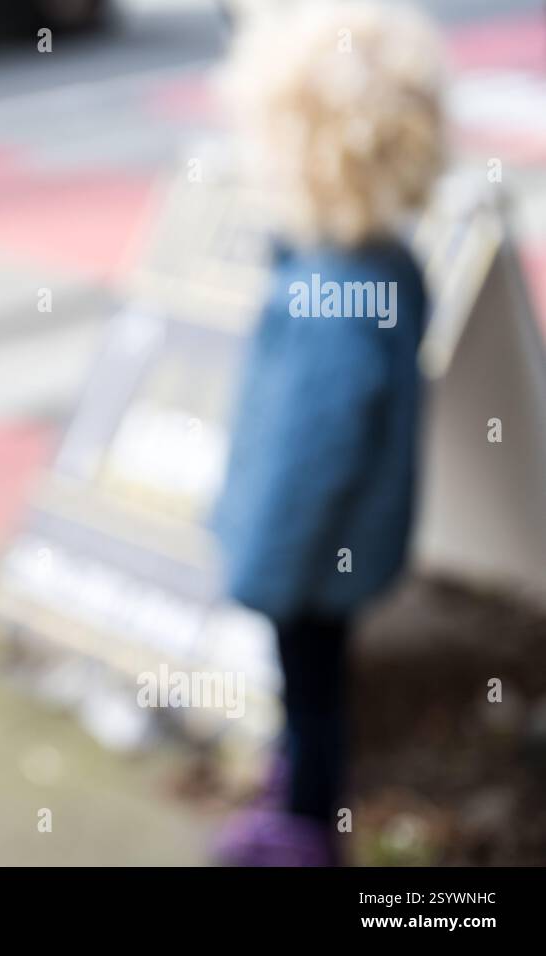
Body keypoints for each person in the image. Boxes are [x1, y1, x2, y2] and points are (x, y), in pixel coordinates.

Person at [209, 1, 447, 866]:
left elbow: (314, 452)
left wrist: (260, 570)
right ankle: (303, 784)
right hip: (348, 549)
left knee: (310, 688)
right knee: (319, 683)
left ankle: (307, 825)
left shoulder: (329, 292)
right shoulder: (384, 258)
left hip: (307, 557)